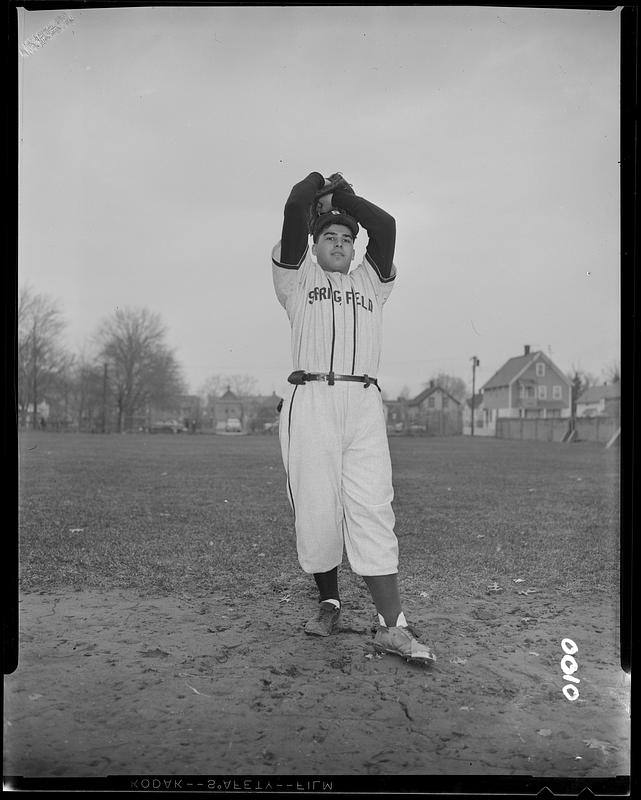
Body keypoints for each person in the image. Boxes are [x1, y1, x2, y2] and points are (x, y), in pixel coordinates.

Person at [271, 171, 436, 665]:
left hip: (363, 400)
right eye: (329, 237)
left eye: (346, 237)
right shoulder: (295, 279)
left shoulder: (371, 281)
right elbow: (296, 203)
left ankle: (393, 626)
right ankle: (330, 601)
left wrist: (342, 198)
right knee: (319, 510)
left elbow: (384, 224)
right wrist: (320, 185)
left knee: (372, 507)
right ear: (313, 244)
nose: (339, 243)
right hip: (312, 397)